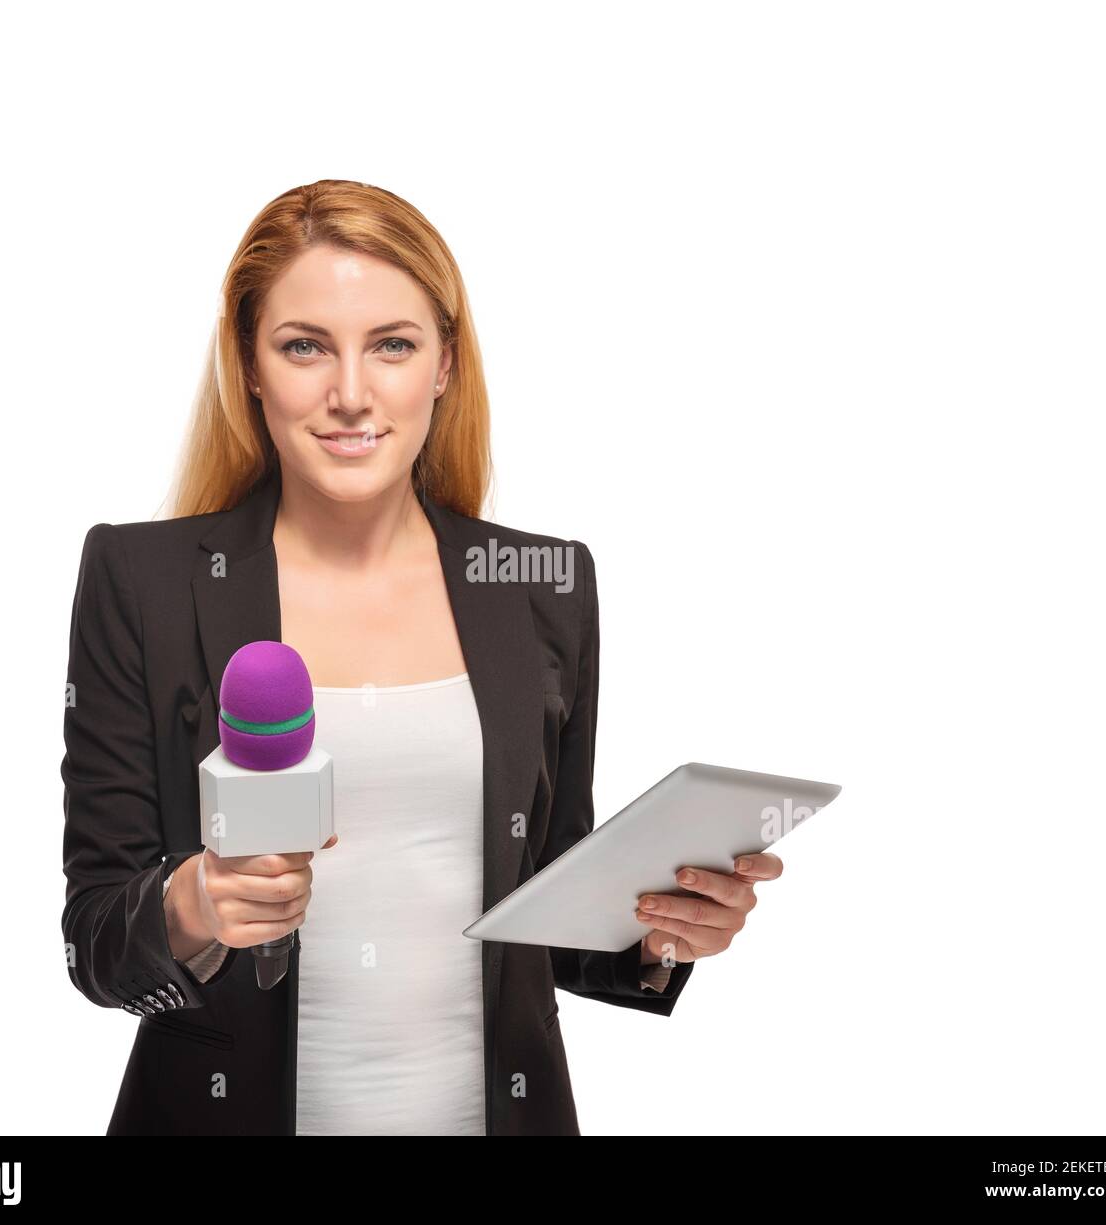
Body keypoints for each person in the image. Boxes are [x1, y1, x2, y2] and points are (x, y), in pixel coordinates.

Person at [61, 180, 780, 1136]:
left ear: (444, 364)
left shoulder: (543, 585)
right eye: (304, 345)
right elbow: (96, 942)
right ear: (250, 367)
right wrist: (192, 903)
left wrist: (659, 931)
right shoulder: (141, 580)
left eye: (392, 345)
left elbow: (552, 913)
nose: (350, 393)